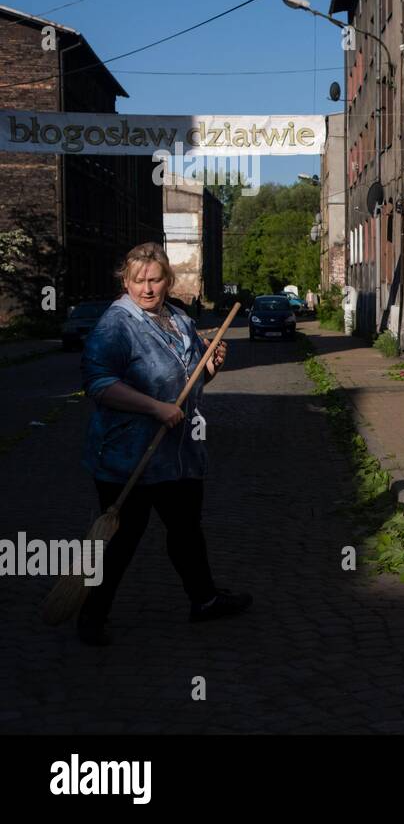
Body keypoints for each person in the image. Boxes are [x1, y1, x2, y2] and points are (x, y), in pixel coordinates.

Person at [78, 242, 250, 646]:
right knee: (121, 538)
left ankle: (204, 600)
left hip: (177, 454)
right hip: (129, 455)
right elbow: (98, 384)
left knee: (186, 530)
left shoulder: (177, 319)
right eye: (138, 280)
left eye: (155, 280)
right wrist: (154, 407)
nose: (147, 288)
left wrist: (209, 368)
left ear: (168, 281)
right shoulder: (116, 325)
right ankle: (91, 616)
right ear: (126, 281)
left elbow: (189, 384)